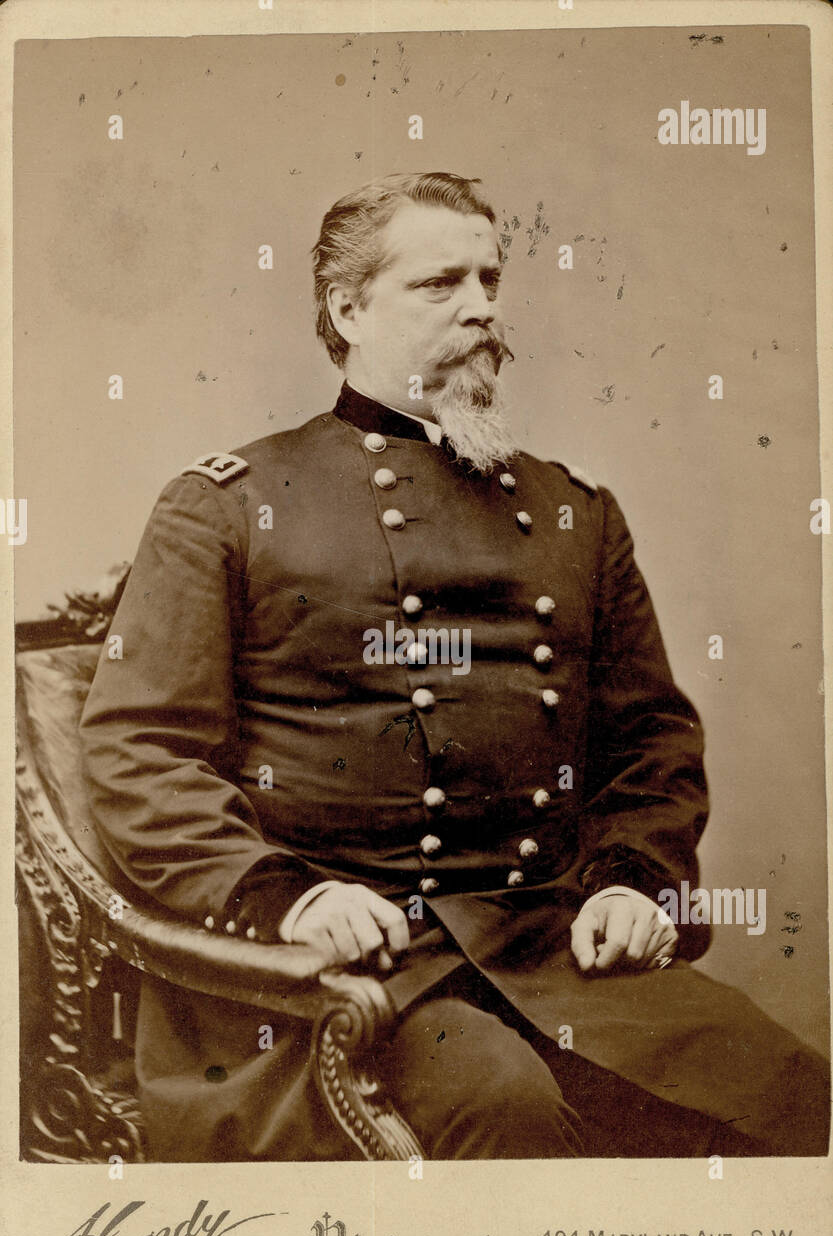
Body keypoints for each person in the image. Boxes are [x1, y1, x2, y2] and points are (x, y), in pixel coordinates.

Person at [79, 171, 829, 1160]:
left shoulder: (573, 511)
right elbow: (139, 752)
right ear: (347, 311)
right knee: (504, 1111)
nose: (481, 308)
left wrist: (630, 883)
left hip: (545, 944)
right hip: (335, 973)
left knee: (789, 1096)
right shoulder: (225, 504)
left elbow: (648, 740)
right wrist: (285, 898)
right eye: (439, 285)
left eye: (489, 278)